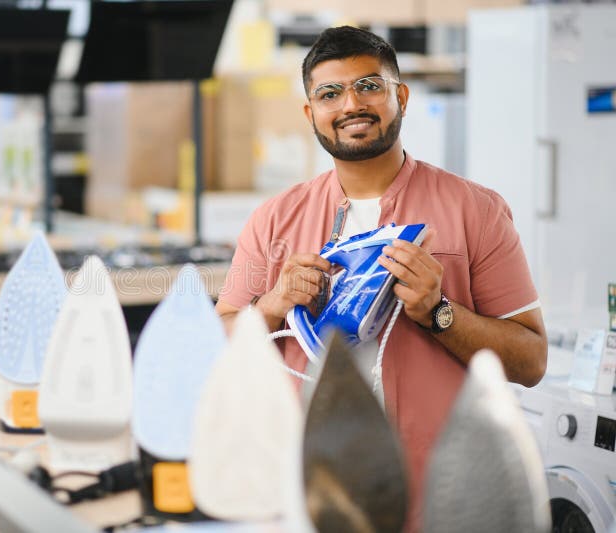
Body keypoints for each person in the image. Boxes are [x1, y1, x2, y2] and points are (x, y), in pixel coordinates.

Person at [215, 25, 547, 530]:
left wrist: (439, 313)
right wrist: (273, 304)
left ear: (401, 97)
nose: (351, 104)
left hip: (435, 494)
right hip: (306, 491)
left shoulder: (476, 211)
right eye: (329, 93)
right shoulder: (273, 221)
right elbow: (220, 342)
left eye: (369, 86)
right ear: (310, 113)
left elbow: (531, 361)